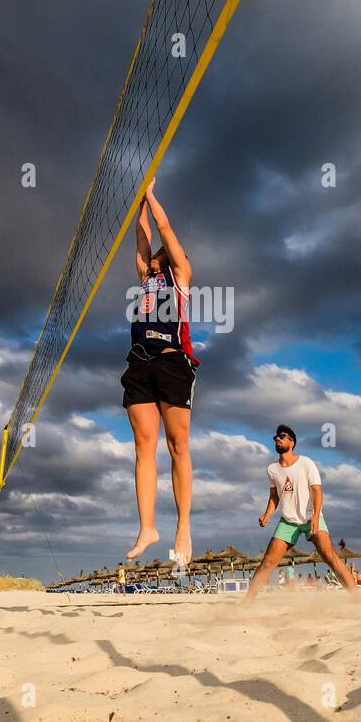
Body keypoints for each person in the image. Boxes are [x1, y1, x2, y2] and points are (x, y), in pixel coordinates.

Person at [122, 179, 199, 569]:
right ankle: (147, 527)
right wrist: (137, 208)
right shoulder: (145, 278)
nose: (153, 253)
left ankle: (183, 526)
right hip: (139, 362)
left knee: (177, 446)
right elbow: (142, 237)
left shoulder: (179, 277)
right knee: (143, 447)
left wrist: (151, 195)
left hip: (172, 362)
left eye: (159, 252)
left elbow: (164, 231)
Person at [245, 425, 356, 602]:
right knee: (267, 563)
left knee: (330, 556)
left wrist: (316, 518)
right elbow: (274, 496)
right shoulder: (272, 469)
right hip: (288, 521)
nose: (278, 439)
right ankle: (246, 603)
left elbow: (318, 492)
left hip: (312, 516)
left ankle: (357, 598)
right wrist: (267, 515)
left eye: (282, 436)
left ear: (292, 442)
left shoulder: (306, 463)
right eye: (275, 437)